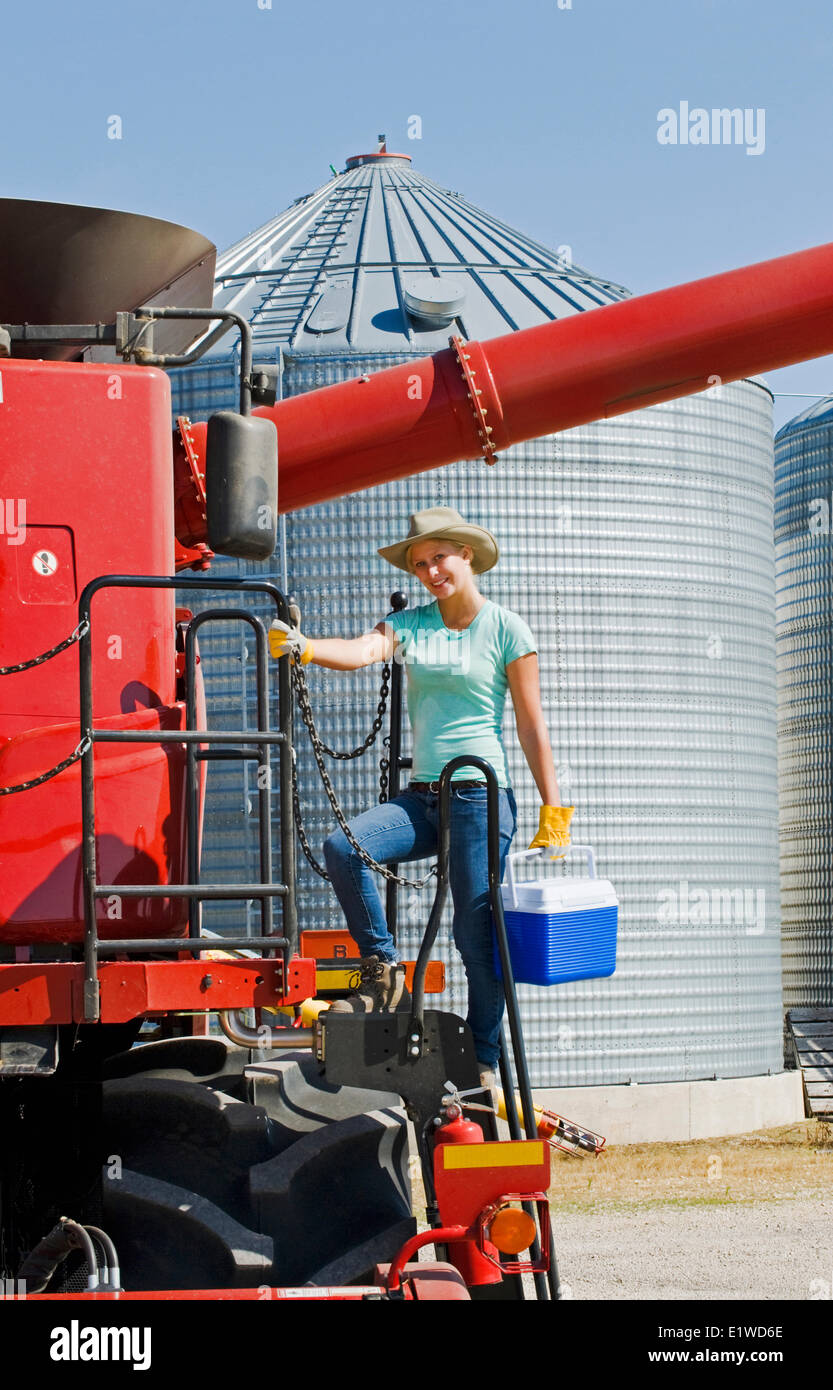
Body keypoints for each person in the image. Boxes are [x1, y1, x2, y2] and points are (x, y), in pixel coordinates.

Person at [269, 507, 573, 1088]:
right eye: (419, 563)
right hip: (425, 798)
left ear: (467, 556)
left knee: (473, 932)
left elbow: (533, 727)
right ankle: (383, 966)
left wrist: (552, 807)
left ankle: (482, 1057)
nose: (431, 570)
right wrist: (306, 646)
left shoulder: (507, 628)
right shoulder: (410, 627)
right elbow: (363, 651)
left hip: (481, 799)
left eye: (440, 557)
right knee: (345, 847)